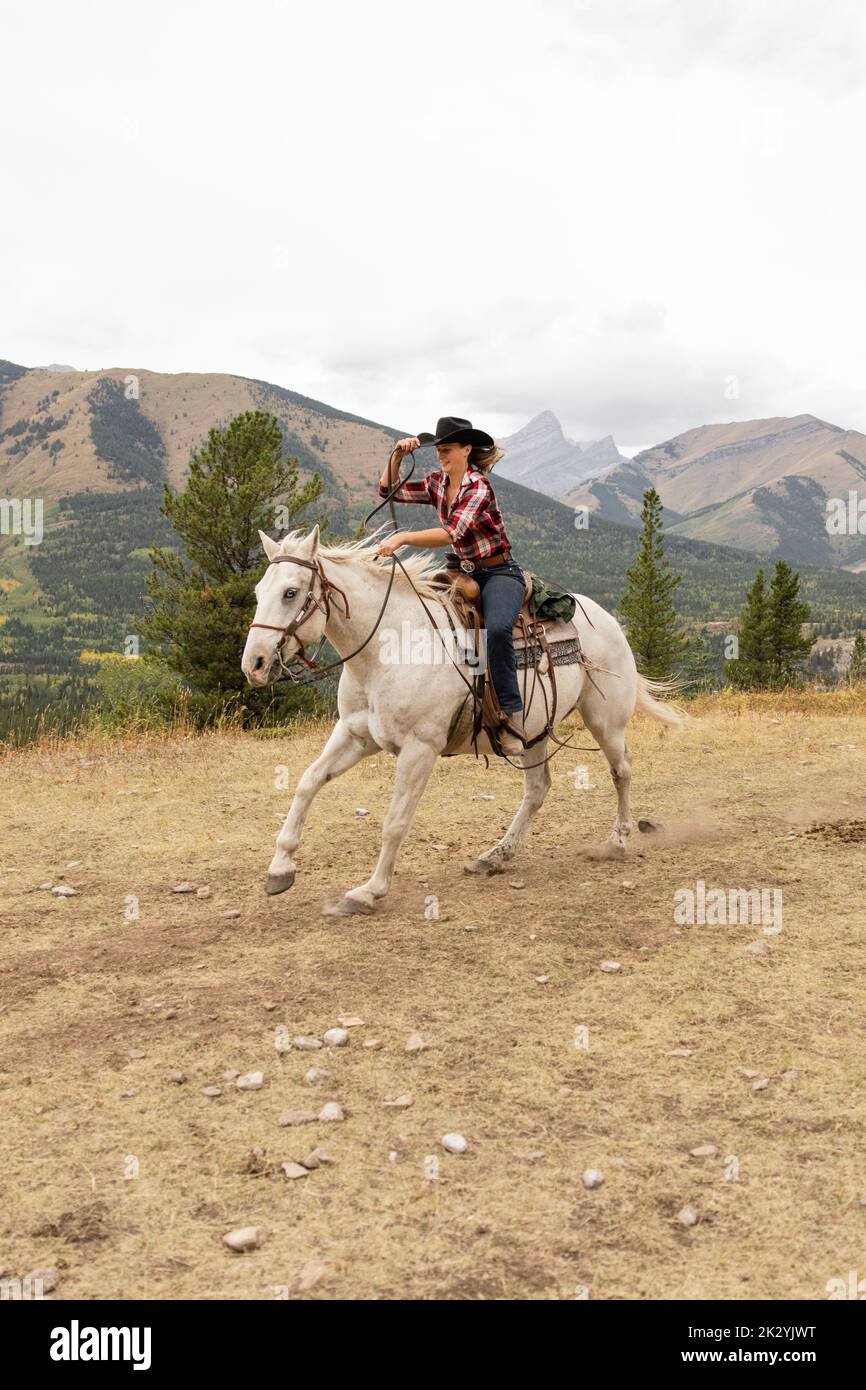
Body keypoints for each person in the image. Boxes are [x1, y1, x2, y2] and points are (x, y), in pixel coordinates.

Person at [374, 414, 527, 755]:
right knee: (420, 613)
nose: (441, 455)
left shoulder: (478, 486)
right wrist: (397, 455)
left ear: (466, 450)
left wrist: (403, 538)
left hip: (498, 572)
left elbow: (452, 532)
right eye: (439, 450)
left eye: (448, 449)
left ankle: (510, 714)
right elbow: (388, 491)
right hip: (461, 569)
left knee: (498, 629)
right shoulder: (436, 483)